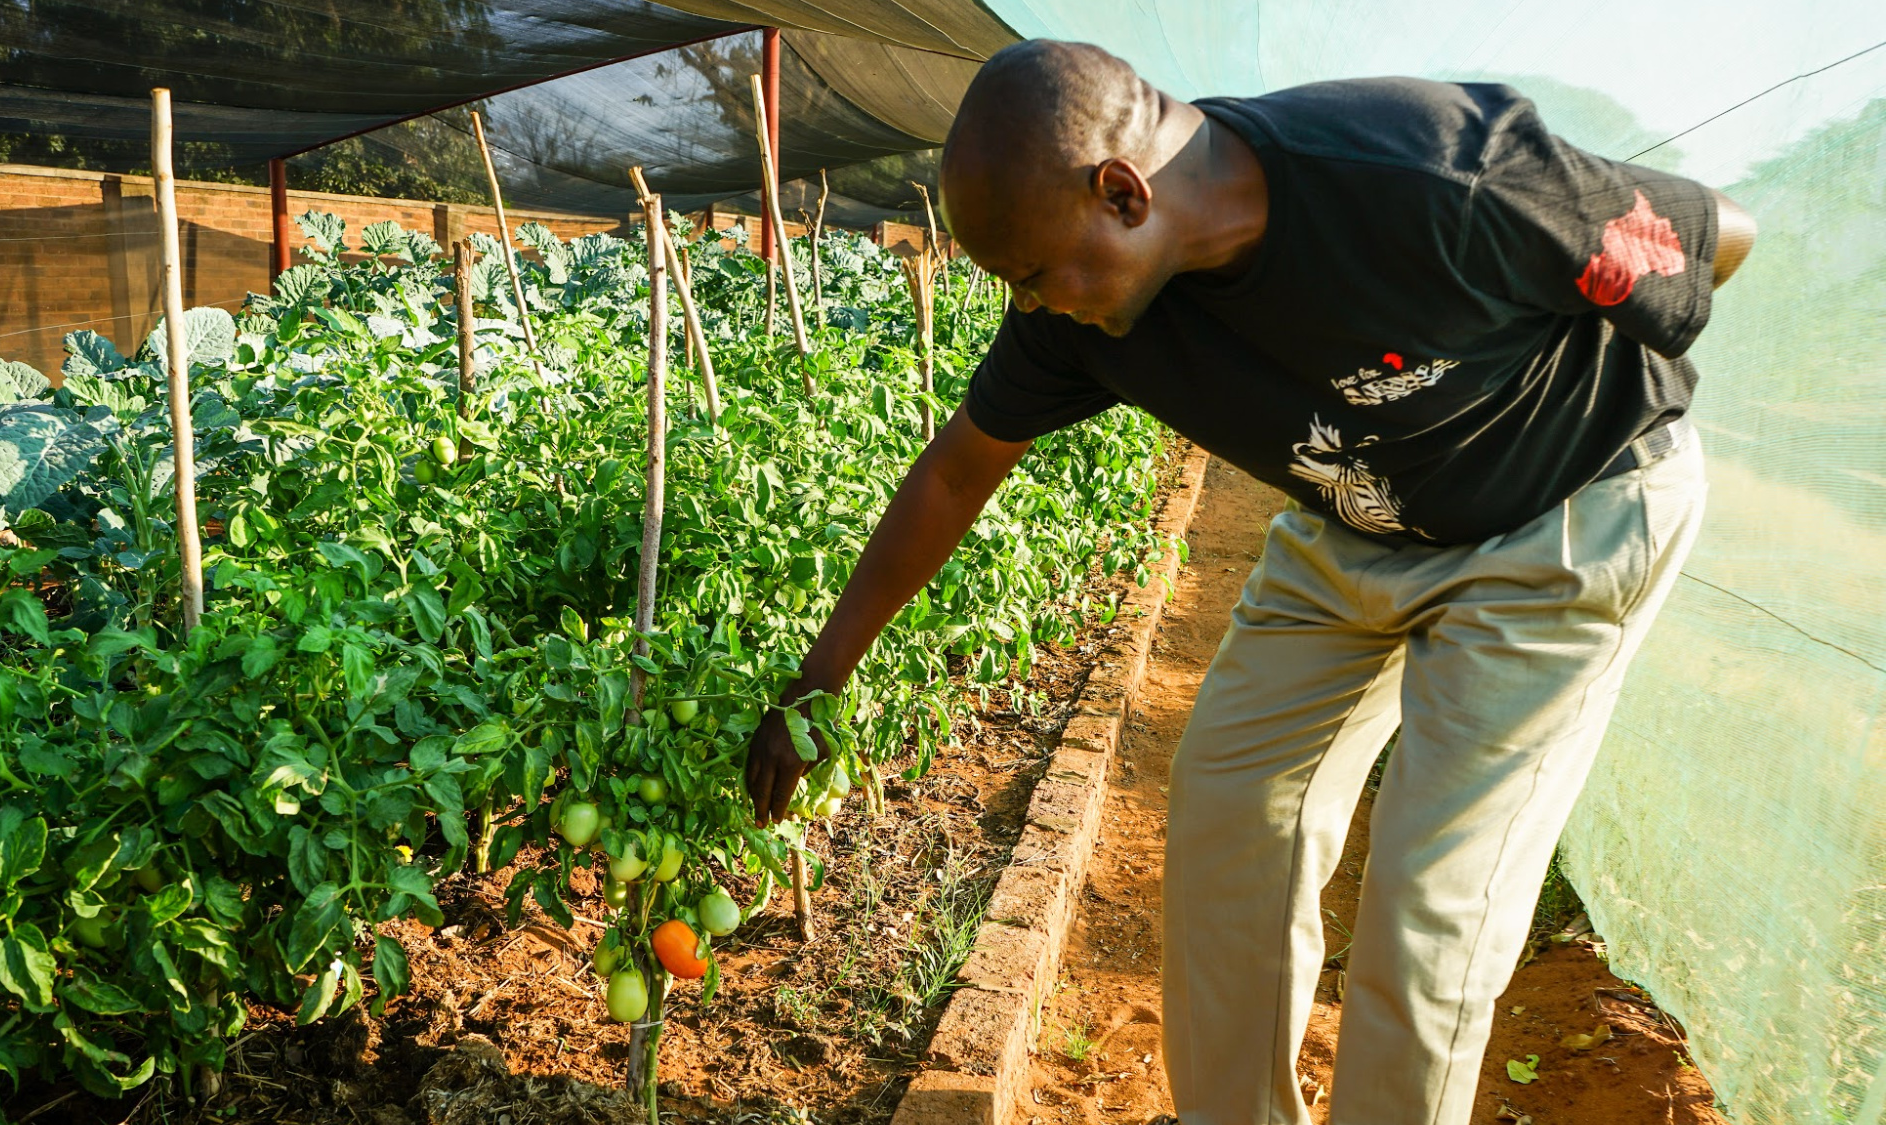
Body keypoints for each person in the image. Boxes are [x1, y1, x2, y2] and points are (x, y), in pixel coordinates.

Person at [743, 39, 1755, 1125]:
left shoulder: (1427, 173)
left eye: (1035, 275)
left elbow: (1719, 234)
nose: (1032, 305)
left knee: (1430, 905)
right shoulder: (1073, 323)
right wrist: (818, 678)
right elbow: (954, 473)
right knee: (1230, 814)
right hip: (1359, 522)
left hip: (1561, 513)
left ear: (1123, 193)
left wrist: (1563, 315)